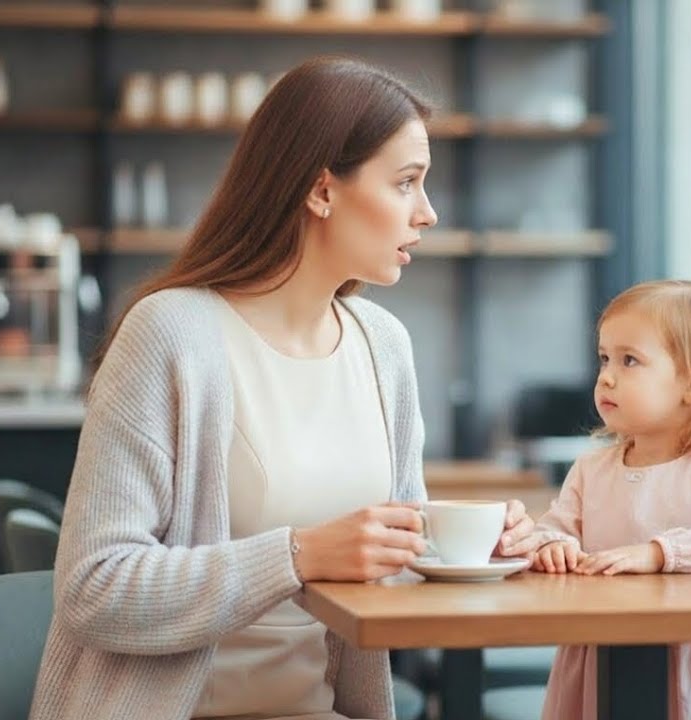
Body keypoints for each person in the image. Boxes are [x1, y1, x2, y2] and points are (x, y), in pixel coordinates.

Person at [28, 56, 537, 720]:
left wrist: (477, 551)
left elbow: (397, 564)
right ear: (322, 190)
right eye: (406, 183)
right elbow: (94, 589)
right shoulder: (172, 333)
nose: (429, 212)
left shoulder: (384, 346)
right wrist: (296, 557)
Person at [527, 279, 691, 720]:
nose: (606, 376)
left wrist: (660, 553)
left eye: (629, 360)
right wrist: (552, 546)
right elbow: (549, 531)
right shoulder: (591, 469)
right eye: (605, 358)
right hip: (603, 654)